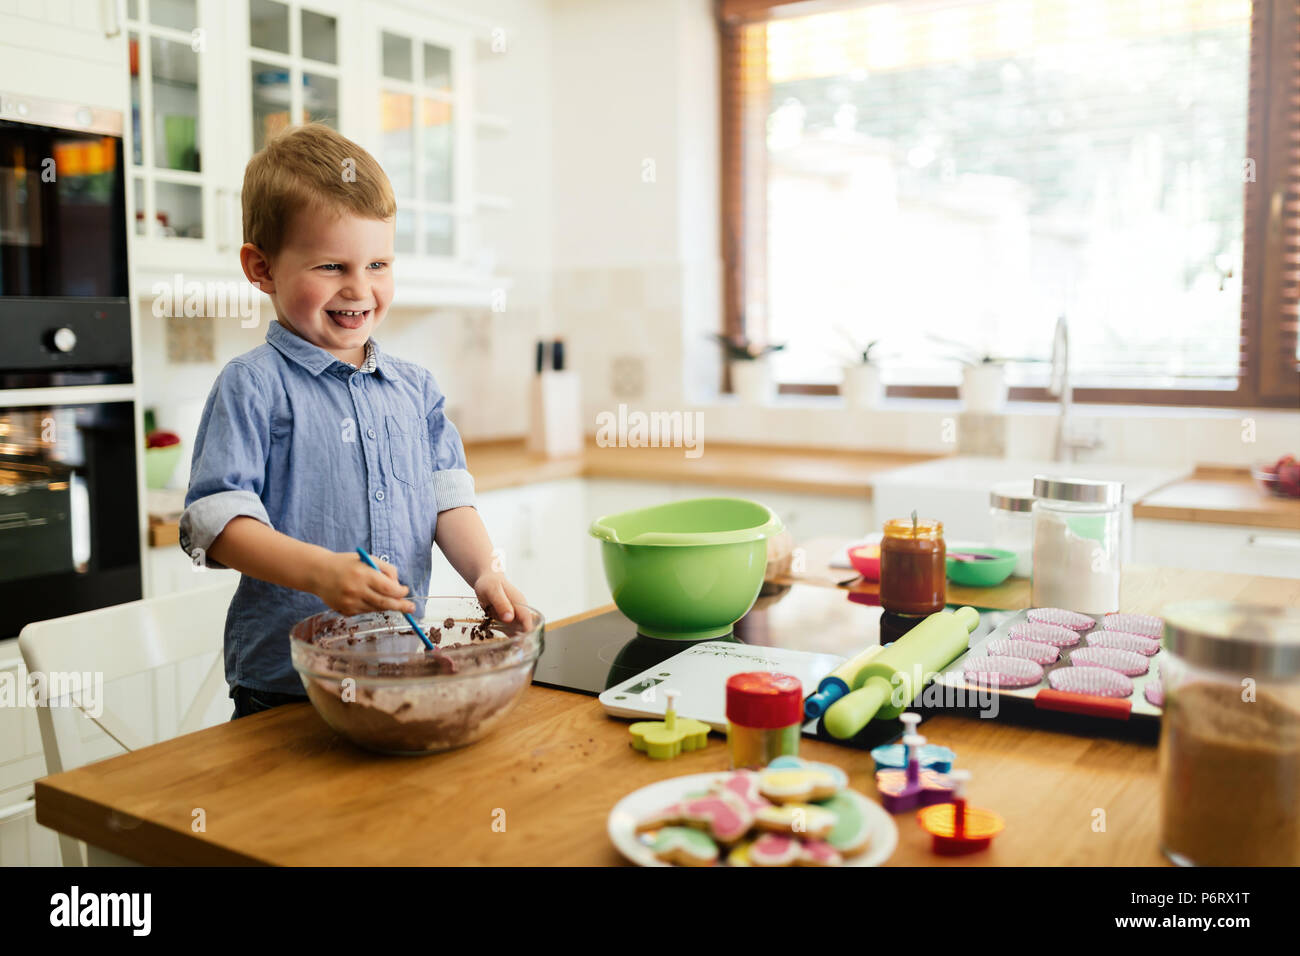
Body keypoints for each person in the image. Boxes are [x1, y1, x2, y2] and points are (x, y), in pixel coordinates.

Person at [179, 123, 529, 720]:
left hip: (396, 672)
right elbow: (219, 524)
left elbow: (449, 500)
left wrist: (485, 575)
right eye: (332, 266)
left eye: (378, 264)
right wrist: (320, 572)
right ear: (260, 268)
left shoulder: (415, 389)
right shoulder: (254, 385)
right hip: (285, 688)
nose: (359, 289)